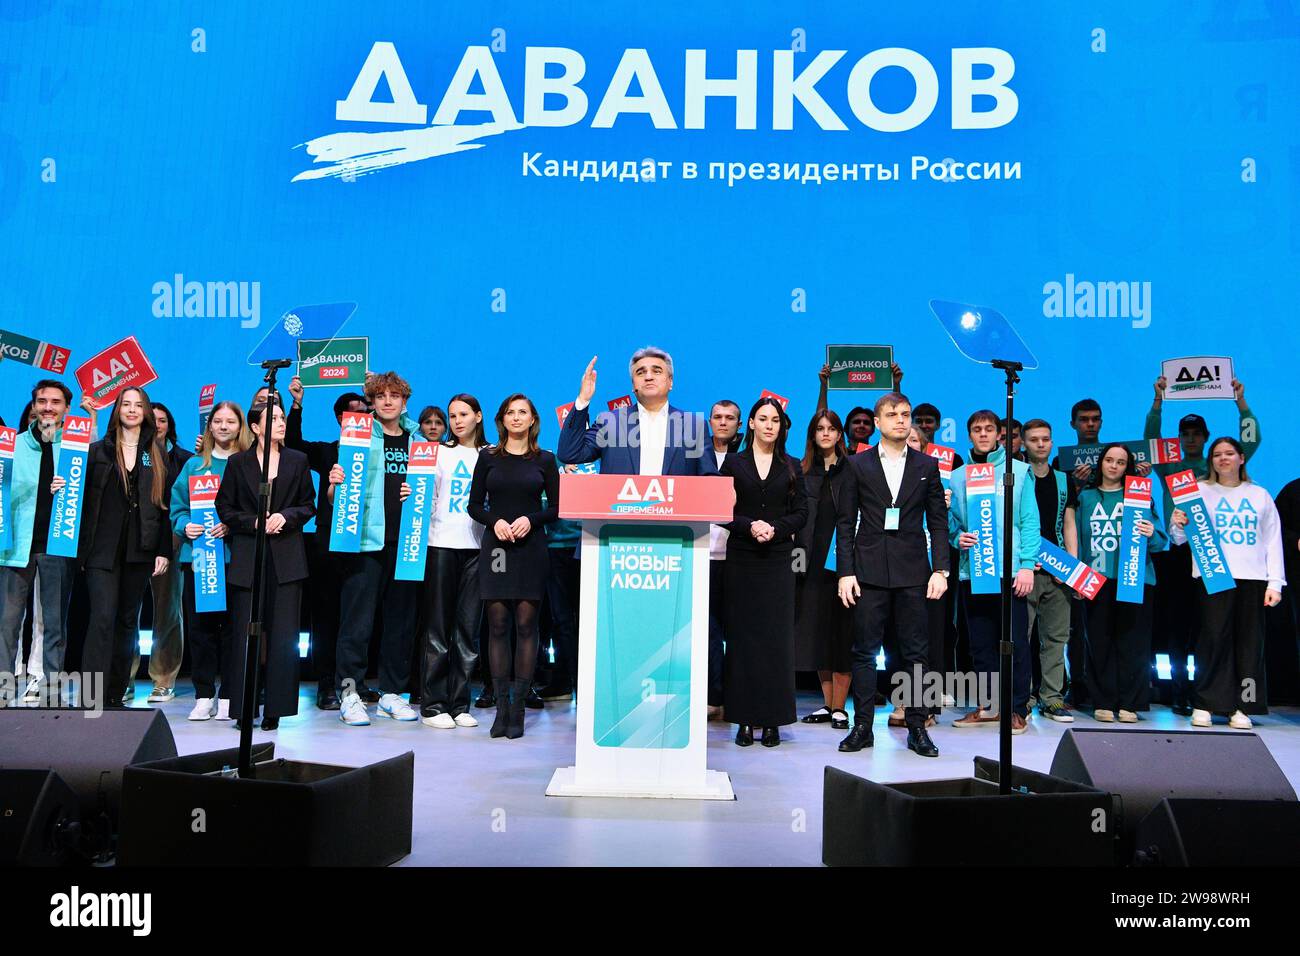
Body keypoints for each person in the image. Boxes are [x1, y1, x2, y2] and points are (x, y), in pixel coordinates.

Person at [835, 394, 949, 756]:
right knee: (864, 652)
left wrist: (941, 569)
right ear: (878, 421)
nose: (900, 420)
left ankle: (918, 727)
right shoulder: (857, 464)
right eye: (891, 414)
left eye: (905, 414)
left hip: (915, 571)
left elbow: (939, 522)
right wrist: (845, 572)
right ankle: (863, 726)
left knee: (917, 653)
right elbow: (844, 522)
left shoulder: (927, 466)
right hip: (867, 571)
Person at [1146, 375, 1261, 716]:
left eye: (1197, 434)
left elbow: (1250, 442)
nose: (1191, 438)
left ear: (1207, 438)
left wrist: (1242, 404)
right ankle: (1180, 691)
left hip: (1216, 555)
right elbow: (1151, 439)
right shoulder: (1171, 466)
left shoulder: (1217, 468)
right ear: (1179, 438)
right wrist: (1157, 403)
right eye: (1186, 433)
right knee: (1178, 626)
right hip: (1179, 552)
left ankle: (1213, 691)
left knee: (1210, 626)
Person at [326, 371, 423, 727]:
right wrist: (334, 483)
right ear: (371, 400)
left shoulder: (420, 438)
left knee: (400, 622)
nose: (387, 401)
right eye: (380, 395)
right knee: (358, 622)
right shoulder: (358, 433)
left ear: (404, 401)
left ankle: (393, 693)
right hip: (365, 539)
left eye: (394, 395)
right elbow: (336, 496)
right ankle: (349, 693)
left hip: (408, 540)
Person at [1170, 437, 1285, 730]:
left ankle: (1243, 707)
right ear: (1211, 460)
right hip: (1213, 574)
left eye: (1229, 453)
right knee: (1211, 640)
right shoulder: (1199, 490)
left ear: (1241, 458)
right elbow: (1179, 538)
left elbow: (1273, 541)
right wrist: (1177, 521)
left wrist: (1275, 583)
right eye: (1218, 454)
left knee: (1249, 644)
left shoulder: (1260, 495)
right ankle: (1205, 704)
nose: (1223, 459)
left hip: (1253, 578)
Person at [217, 401, 315, 730]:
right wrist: (254, 522)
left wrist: (284, 517)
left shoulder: (297, 460)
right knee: (246, 634)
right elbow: (225, 508)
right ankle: (244, 709)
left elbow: (307, 505)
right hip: (249, 555)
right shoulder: (238, 463)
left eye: (283, 418)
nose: (281, 423)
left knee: (284, 636)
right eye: (273, 419)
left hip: (287, 558)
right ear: (256, 428)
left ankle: (276, 708)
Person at [74, 388, 172, 709]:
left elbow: (162, 507)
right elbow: (80, 493)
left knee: (128, 622)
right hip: (101, 550)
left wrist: (162, 550)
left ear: (145, 411)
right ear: (117, 410)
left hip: (139, 551)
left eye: (137, 405)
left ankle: (115, 694)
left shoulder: (154, 453)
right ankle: (91, 696)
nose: (131, 409)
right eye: (125, 404)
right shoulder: (99, 450)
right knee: (102, 617)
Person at [469, 394, 559, 739]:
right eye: (510, 412)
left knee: (526, 625)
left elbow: (558, 507)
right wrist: (495, 522)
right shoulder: (488, 457)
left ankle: (518, 707)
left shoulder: (545, 460)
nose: (517, 417)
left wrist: (530, 519)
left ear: (533, 419)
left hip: (531, 547)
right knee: (497, 624)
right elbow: (474, 505)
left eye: (523, 412)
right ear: (501, 419)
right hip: (498, 547)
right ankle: (501, 707)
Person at [720, 397, 808, 748]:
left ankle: (772, 721)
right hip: (742, 558)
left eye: (776, 420)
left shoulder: (792, 465)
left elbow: (802, 512)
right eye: (763, 418)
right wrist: (748, 525)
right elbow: (720, 511)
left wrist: (775, 527)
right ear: (751, 424)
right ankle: (743, 719)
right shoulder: (732, 463)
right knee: (741, 639)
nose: (770, 425)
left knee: (775, 641)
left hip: (777, 560)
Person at [948, 409, 1040, 734]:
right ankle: (988, 705)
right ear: (969, 435)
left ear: (1000, 434)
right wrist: (955, 537)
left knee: (1014, 641)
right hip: (973, 571)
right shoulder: (959, 476)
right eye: (977, 429)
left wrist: (1027, 565)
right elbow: (952, 523)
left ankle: (1017, 709)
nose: (983, 434)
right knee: (980, 643)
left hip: (1010, 571)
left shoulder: (1018, 470)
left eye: (989, 429)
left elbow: (1029, 522)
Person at [286, 379, 369, 710]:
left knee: (358, 618)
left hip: (367, 541)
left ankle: (353, 684)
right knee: (326, 615)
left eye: (366, 412)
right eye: (352, 414)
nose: (360, 418)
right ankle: (325, 684)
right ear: (339, 418)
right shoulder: (327, 450)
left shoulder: (376, 451)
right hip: (328, 542)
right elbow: (292, 444)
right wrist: (296, 406)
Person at [0, 381, 80, 706]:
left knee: (54, 624)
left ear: (66, 409)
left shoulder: (76, 451)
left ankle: (51, 691)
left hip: (57, 546)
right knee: (7, 622)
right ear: (33, 406)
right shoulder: (11, 447)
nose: (48, 407)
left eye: (55, 402)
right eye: (42, 401)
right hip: (15, 547)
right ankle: (4, 690)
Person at [171, 401, 251, 721]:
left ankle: (231, 694)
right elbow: (176, 507)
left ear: (240, 426)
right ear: (210, 426)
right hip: (200, 558)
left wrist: (234, 524)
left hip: (235, 558)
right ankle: (204, 694)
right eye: (217, 421)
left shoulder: (247, 464)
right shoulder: (194, 465)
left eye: (230, 421)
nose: (223, 426)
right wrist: (183, 525)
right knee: (201, 628)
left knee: (234, 629)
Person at [1075, 443, 1167, 722]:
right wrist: (1076, 579)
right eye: (1109, 460)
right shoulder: (1086, 498)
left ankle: (1130, 703)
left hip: (1134, 580)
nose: (1114, 466)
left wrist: (1151, 532)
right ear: (1100, 463)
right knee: (1099, 643)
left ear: (1128, 467)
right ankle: (1103, 700)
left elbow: (1161, 541)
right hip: (1096, 581)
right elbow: (1076, 539)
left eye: (1121, 462)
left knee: (1133, 644)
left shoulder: (1139, 497)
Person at [418, 394, 488, 728]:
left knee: (468, 630)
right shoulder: (438, 453)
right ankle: (433, 705)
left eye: (463, 414)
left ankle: (460, 705)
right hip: (441, 544)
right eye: (452, 415)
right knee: (438, 628)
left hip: (476, 548)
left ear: (478, 416)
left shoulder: (490, 455)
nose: (457, 421)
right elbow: (425, 497)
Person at [558, 348, 715, 476]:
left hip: (677, 513)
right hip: (619, 513)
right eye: (640, 372)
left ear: (670, 382)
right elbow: (570, 454)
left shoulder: (693, 425)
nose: (648, 377)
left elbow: (709, 478)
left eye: (657, 371)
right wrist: (583, 400)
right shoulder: (609, 422)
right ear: (633, 385)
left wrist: (726, 493)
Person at [795, 409, 853, 730]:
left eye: (832, 428)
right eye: (820, 429)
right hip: (810, 565)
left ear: (840, 434)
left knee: (842, 633)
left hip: (843, 564)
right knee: (816, 632)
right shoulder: (803, 472)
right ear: (813, 435)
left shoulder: (851, 470)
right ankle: (828, 704)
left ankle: (841, 706)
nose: (826, 434)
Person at [135, 401, 193, 704]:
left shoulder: (185, 459)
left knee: (167, 613)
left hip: (171, 540)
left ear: (169, 425)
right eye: (151, 420)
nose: (157, 425)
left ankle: (163, 679)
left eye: (161, 420)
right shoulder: (131, 454)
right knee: (127, 612)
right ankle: (125, 677)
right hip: (135, 539)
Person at [1022, 419, 1079, 722]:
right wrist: (1024, 562)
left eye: (1045, 439)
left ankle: (1052, 697)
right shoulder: (1017, 477)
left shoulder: (1063, 479)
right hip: (1027, 568)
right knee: (1022, 636)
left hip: (1058, 570)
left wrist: (1071, 566)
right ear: (1023, 443)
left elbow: (1069, 523)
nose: (1041, 444)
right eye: (1034, 439)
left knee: (1056, 638)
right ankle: (1023, 696)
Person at [706, 399, 742, 718]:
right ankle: (713, 696)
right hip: (702, 554)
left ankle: (738, 697)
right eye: (717, 417)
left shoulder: (745, 460)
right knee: (709, 631)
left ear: (739, 425)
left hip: (738, 556)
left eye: (730, 418)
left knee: (739, 630)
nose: (723, 422)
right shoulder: (695, 458)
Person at [815, 361, 904, 451]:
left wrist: (896, 384)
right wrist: (824, 385)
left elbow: (897, 422)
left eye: (866, 423)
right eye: (856, 422)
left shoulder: (879, 457)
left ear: (873, 430)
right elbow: (821, 420)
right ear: (846, 429)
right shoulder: (836, 455)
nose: (862, 425)